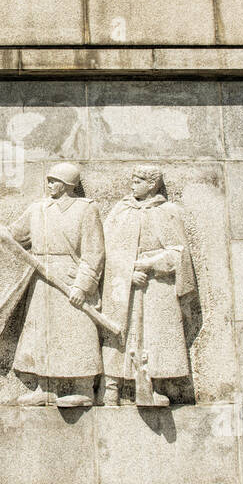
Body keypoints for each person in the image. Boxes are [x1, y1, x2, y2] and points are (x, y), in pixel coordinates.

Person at [9, 162, 106, 407]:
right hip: (43, 278)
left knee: (77, 331)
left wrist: (83, 286)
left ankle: (84, 388)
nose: (49, 185)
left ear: (66, 185)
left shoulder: (86, 209)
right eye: (49, 180)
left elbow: (94, 251)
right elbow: (13, 237)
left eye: (54, 181)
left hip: (71, 277)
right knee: (42, 331)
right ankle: (45, 386)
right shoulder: (38, 209)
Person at [100, 165, 197, 406]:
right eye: (132, 180)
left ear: (152, 184)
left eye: (138, 180)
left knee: (156, 333)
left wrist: (151, 264)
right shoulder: (121, 211)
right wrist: (128, 271)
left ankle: (154, 382)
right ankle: (112, 386)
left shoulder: (167, 212)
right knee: (120, 330)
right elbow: (105, 251)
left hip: (158, 284)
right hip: (126, 283)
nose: (132, 185)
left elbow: (178, 254)